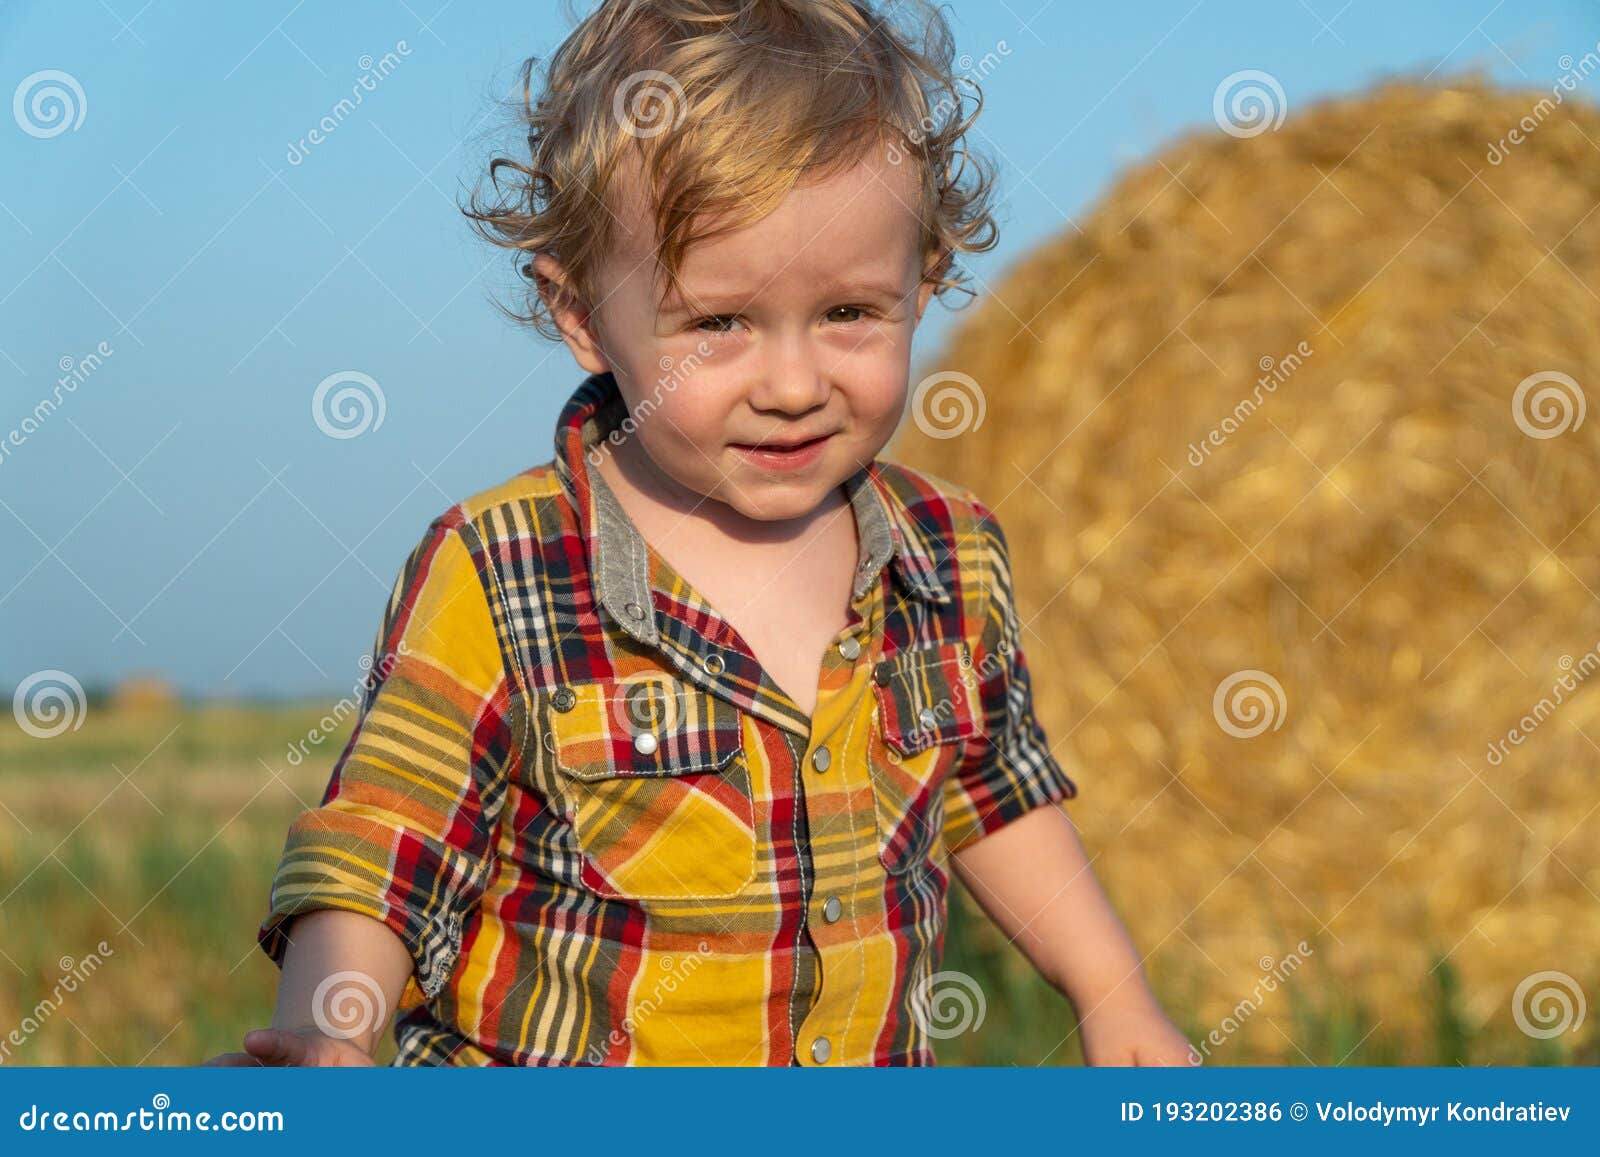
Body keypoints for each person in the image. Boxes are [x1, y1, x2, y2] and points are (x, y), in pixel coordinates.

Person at [206, 0, 1192, 1068]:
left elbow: (995, 795)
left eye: (851, 313)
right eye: (719, 323)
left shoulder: (949, 558)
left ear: (928, 275)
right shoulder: (505, 568)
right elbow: (384, 840)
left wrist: (1112, 991)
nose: (793, 382)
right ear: (580, 311)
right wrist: (330, 1023)